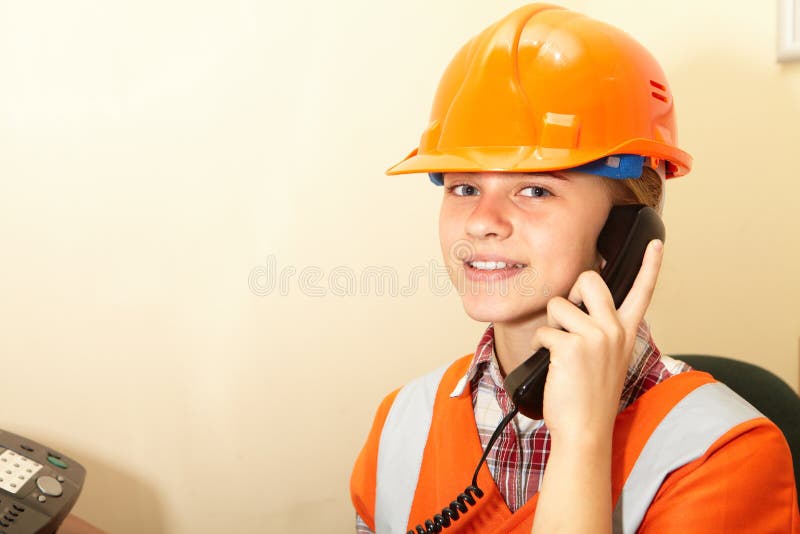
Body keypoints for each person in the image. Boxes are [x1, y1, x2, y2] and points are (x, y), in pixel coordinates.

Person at [350, 4, 800, 533]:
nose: (482, 222)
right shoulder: (400, 424)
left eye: (535, 189)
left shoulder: (725, 457)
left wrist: (582, 438)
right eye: (464, 187)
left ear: (627, 227)